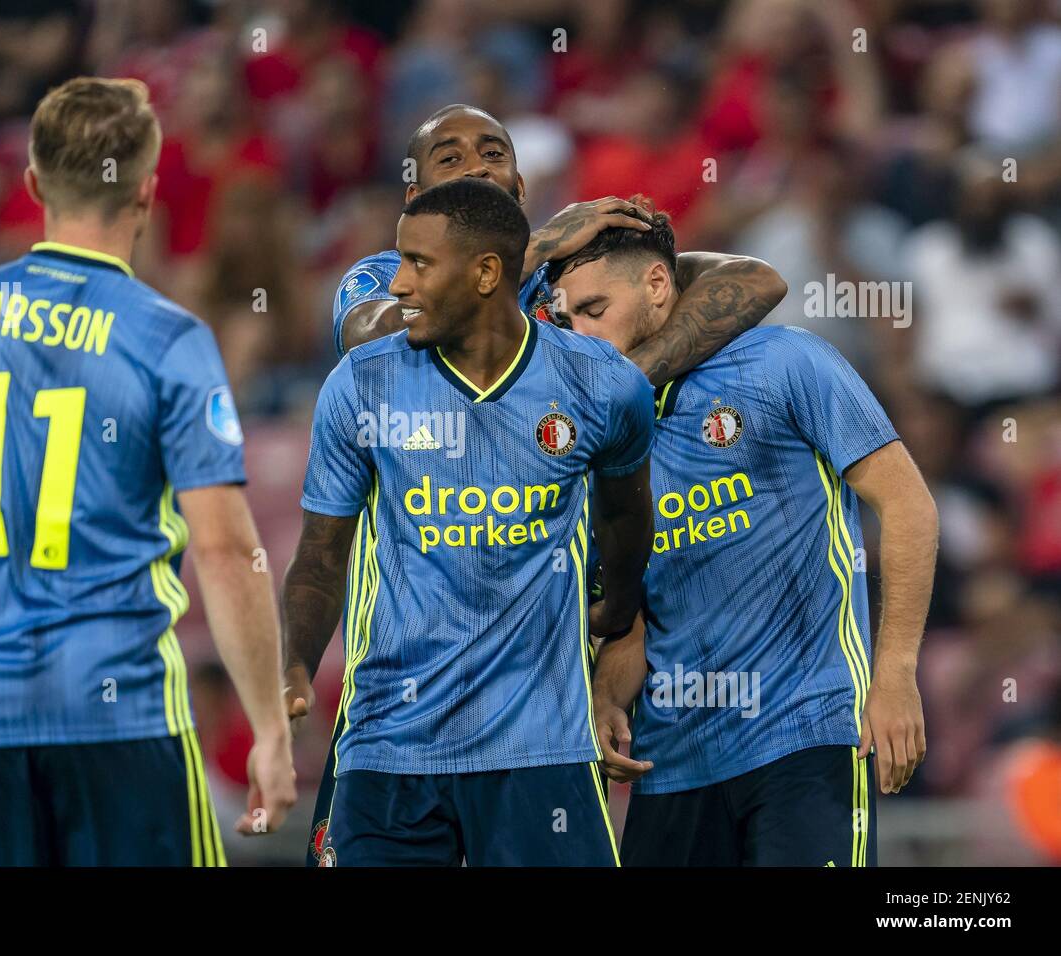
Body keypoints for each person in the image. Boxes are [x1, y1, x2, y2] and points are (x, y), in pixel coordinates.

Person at [297, 101, 788, 866]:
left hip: (536, 724)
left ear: (520, 183)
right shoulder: (387, 282)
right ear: (416, 204)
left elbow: (755, 281)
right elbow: (369, 331)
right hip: (398, 708)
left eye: (491, 152)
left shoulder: (567, 296)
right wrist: (540, 242)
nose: (475, 166)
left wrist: (612, 384)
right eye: (449, 159)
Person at [0, 77, 294, 866]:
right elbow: (228, 551)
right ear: (146, 190)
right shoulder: (170, 339)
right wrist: (268, 729)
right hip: (121, 719)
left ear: (33, 184)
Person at [281, 177, 656, 866]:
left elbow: (628, 518)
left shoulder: (602, 384)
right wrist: (295, 665)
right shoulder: (362, 384)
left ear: (487, 274)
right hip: (389, 744)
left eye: (418, 263)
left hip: (540, 748)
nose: (397, 284)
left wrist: (619, 612)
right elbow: (321, 557)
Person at [552, 204, 937, 866]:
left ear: (655, 285)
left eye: (594, 309)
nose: (581, 334)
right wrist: (608, 695)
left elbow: (907, 505)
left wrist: (896, 671)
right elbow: (637, 618)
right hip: (671, 759)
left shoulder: (786, 362)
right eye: (567, 320)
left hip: (804, 734)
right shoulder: (602, 434)